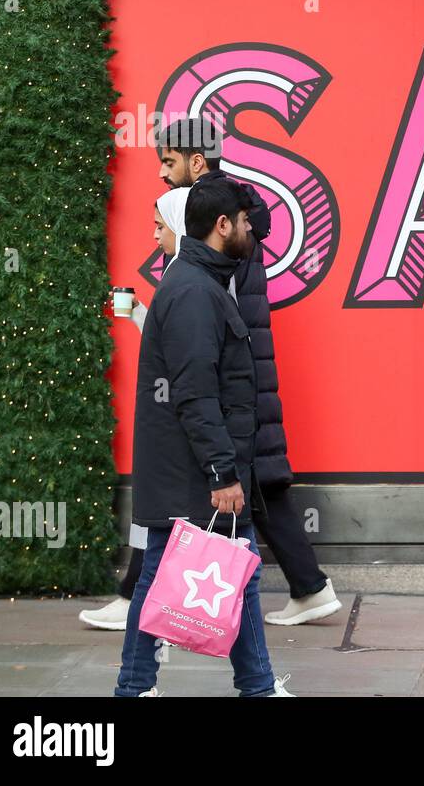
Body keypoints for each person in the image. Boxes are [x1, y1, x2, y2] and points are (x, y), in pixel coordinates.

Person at [155, 117, 340, 626]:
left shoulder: (212, 224)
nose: (163, 176)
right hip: (246, 369)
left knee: (231, 479)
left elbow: (209, 311)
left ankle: (144, 595)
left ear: (197, 161)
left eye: (169, 163)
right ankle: (308, 586)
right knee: (260, 481)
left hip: (233, 373)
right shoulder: (237, 218)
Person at [114, 178, 292, 696]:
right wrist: (222, 471)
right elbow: (195, 394)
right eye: (242, 222)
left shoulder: (197, 281)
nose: (249, 231)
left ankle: (145, 686)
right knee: (231, 573)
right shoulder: (193, 290)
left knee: (226, 573)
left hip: (188, 469)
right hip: (196, 472)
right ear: (221, 226)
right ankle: (244, 688)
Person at [80, 188, 192, 630]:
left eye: (160, 226)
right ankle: (140, 598)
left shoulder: (186, 276)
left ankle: (136, 600)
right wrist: (140, 312)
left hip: (176, 414)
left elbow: (181, 349)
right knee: (159, 512)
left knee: (158, 511)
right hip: (174, 412)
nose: (153, 233)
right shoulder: (183, 273)